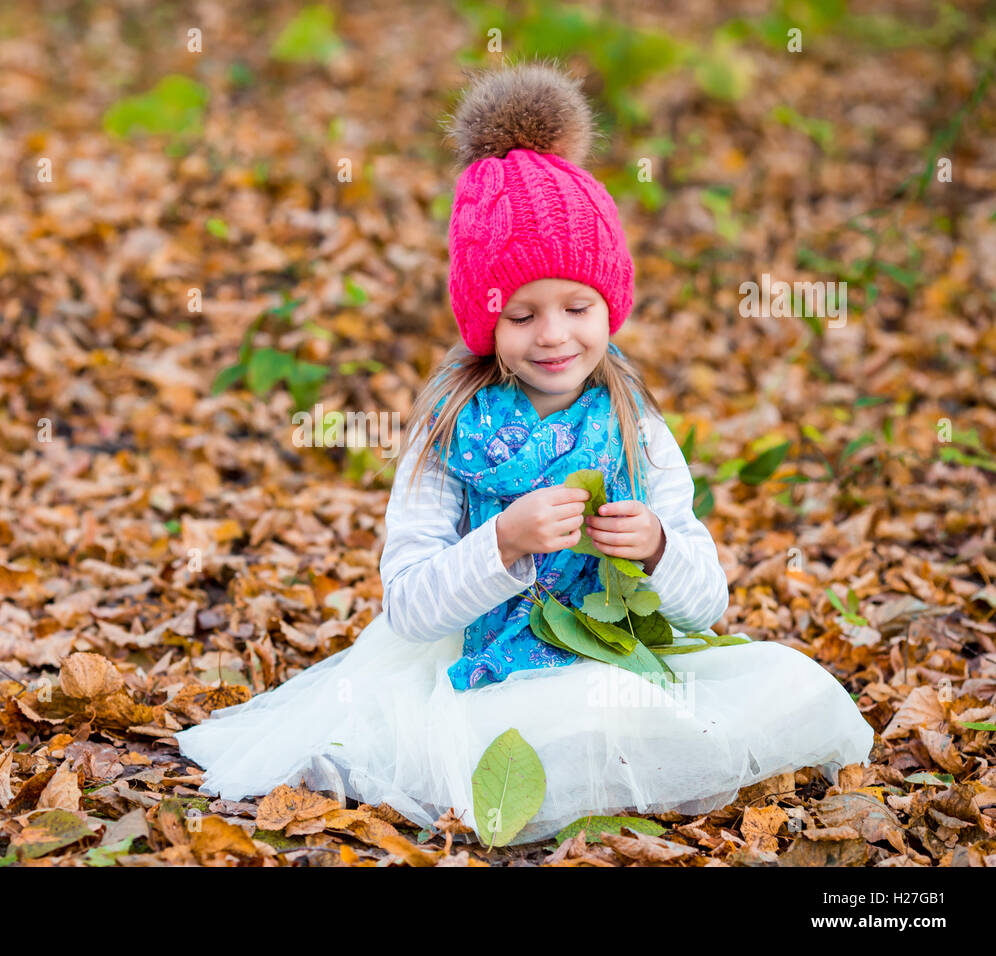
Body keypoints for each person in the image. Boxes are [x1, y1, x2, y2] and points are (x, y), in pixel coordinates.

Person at [174, 61, 874, 847]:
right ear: (485, 322)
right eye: (521, 314)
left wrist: (654, 548)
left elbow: (706, 600)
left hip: (610, 652)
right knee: (505, 744)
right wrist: (502, 542)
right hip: (477, 671)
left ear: (612, 305)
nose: (553, 335)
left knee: (778, 688)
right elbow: (407, 605)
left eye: (578, 306)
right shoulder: (451, 429)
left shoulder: (633, 424)